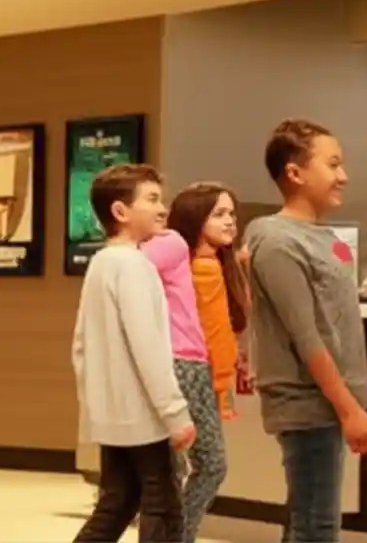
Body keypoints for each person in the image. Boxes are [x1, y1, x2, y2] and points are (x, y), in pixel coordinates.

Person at [245, 118, 367, 542]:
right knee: (316, 525)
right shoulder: (277, 240)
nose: (344, 176)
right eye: (333, 164)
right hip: (308, 403)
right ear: (295, 172)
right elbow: (305, 336)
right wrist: (349, 410)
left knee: (310, 519)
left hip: (327, 404)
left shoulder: (318, 236)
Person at [72, 163, 196, 543]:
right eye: (152, 199)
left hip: (112, 413)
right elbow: (149, 347)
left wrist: (94, 404)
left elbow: (80, 345)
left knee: (118, 503)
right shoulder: (134, 266)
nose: (163, 208)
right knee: (164, 507)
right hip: (143, 414)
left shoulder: (101, 264)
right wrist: (174, 412)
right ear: (120, 212)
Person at [140, 222, 224, 543]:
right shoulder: (172, 243)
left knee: (171, 472)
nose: (230, 220)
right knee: (208, 463)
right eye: (220, 213)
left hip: (190, 360)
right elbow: (131, 268)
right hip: (183, 360)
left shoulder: (205, 260)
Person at [168, 182, 250, 420]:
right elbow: (212, 331)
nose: (229, 221)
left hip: (209, 376)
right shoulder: (203, 270)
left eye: (232, 214)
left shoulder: (211, 264)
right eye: (219, 214)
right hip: (205, 378)